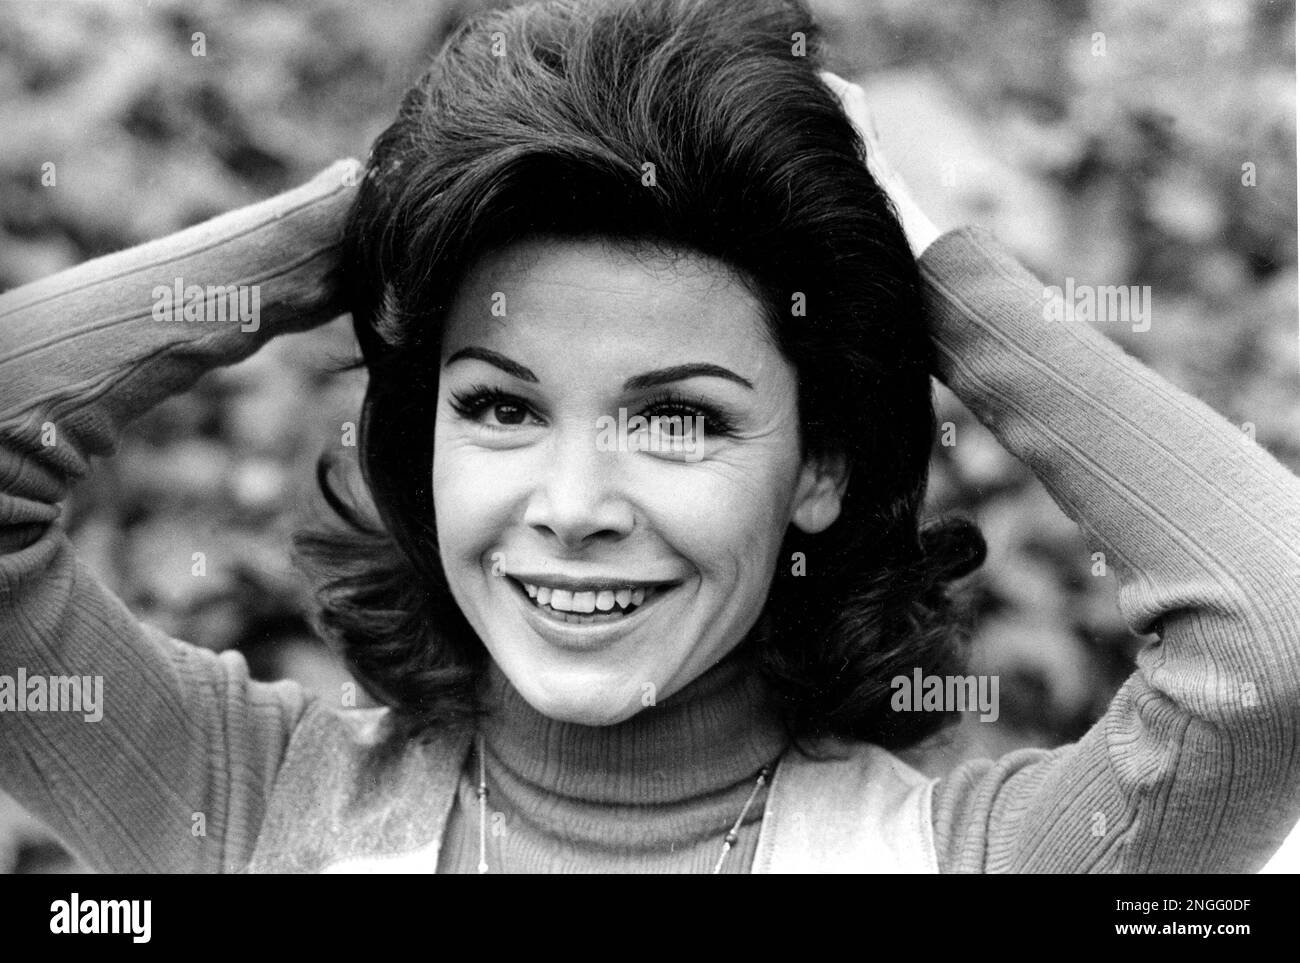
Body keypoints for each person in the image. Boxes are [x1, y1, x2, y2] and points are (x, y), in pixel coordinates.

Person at [1, 0, 1298, 874]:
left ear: (821, 469)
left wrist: (927, 273)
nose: (572, 503)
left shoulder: (952, 856)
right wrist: (368, 214)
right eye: (500, 407)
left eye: (678, 418)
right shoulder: (251, 804)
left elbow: (1274, 637)